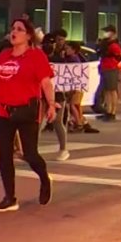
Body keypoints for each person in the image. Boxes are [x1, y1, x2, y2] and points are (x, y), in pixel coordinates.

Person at [0, 18, 57, 212]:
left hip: (27, 111)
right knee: (5, 156)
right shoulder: (4, 55)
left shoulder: (36, 56)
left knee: (30, 154)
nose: (14, 32)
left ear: (28, 35)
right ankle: (9, 197)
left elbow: (46, 83)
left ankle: (45, 179)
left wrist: (52, 104)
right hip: (5, 111)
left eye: (19, 29)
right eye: (12, 28)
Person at [45, 29, 77, 162]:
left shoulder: (62, 58)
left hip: (57, 94)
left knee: (57, 121)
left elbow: (70, 74)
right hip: (43, 93)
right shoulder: (41, 57)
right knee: (40, 122)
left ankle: (63, 149)